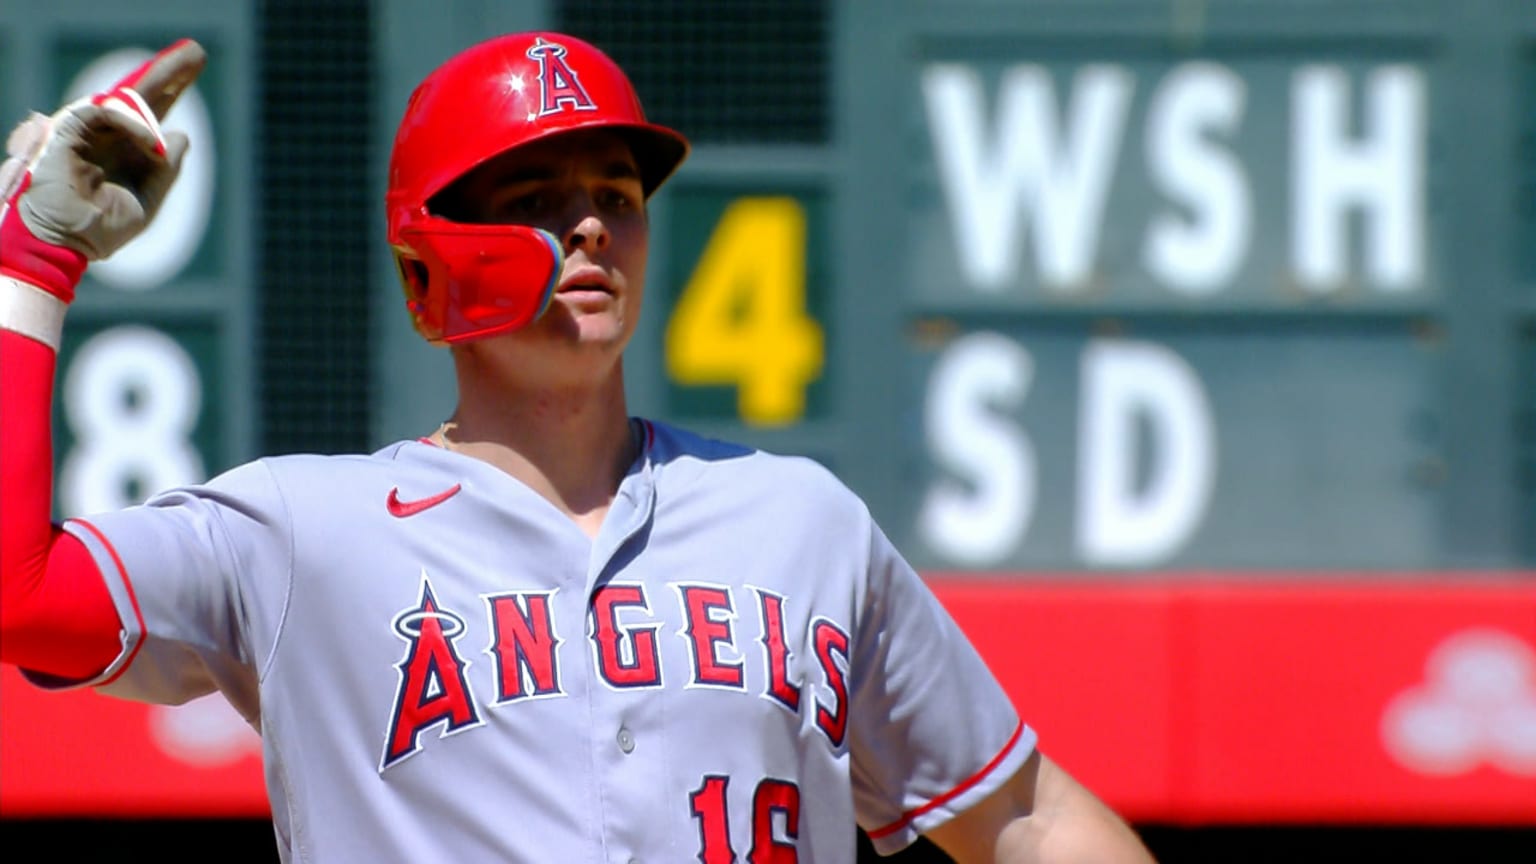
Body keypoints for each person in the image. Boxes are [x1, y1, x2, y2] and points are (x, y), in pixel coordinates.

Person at [0, 32, 1157, 863]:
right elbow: (19, 594)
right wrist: (35, 262)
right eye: (536, 193)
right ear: (420, 274)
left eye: (616, 190)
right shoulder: (301, 534)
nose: (592, 219)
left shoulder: (799, 517)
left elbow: (1025, 821)